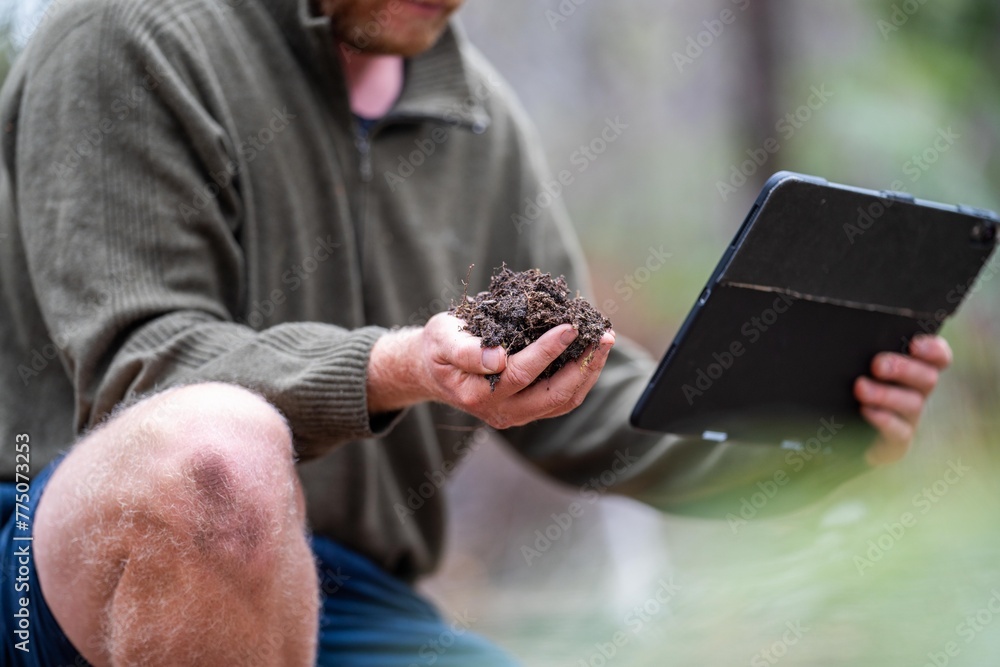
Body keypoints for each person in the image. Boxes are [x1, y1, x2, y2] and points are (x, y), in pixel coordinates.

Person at [0, 0, 953, 664]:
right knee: (217, 452)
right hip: (58, 563)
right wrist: (397, 365)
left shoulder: (476, 115)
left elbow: (586, 402)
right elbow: (146, 370)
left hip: (344, 596)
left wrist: (807, 435)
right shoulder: (129, 34)